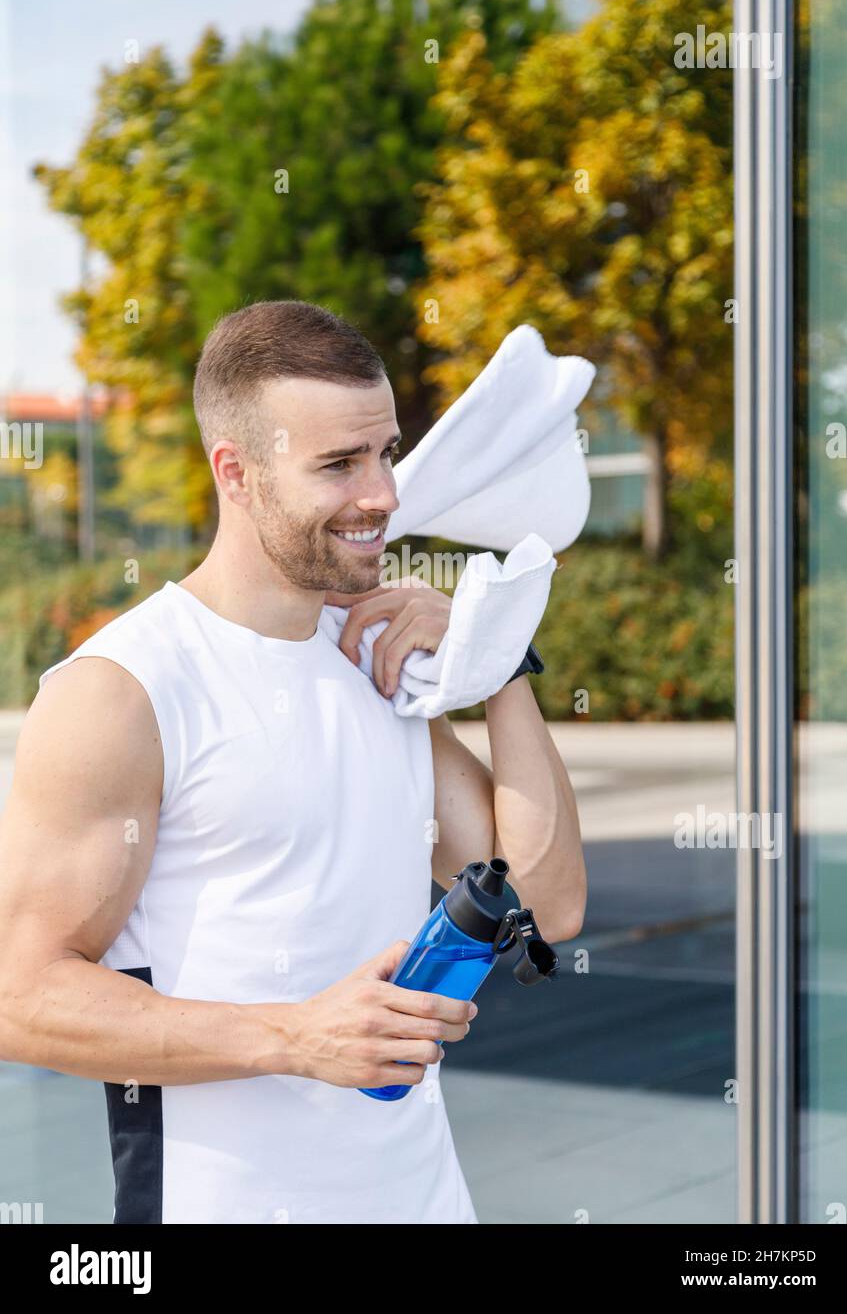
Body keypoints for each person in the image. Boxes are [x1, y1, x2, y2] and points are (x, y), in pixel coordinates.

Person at [0, 300, 586, 1224]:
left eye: (387, 452)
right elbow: (19, 993)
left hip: (423, 1200)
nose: (384, 494)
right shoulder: (123, 690)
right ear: (237, 472)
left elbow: (547, 901)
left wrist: (498, 653)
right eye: (340, 465)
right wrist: (295, 1037)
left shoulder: (370, 659)